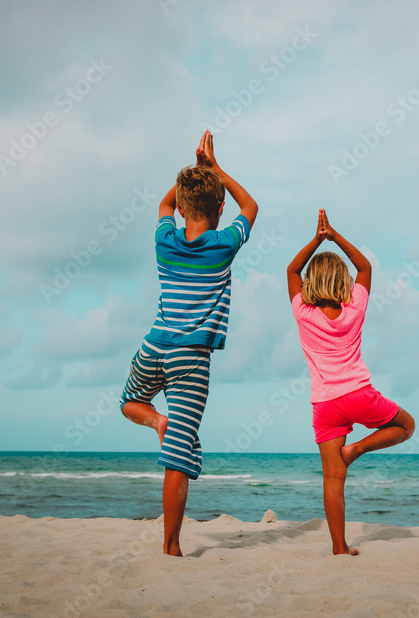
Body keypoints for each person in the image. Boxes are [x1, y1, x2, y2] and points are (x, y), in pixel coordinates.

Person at [119, 130, 257, 556]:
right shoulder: (222, 245)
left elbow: (163, 205)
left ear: (180, 208)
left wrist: (192, 172)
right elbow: (250, 206)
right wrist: (214, 169)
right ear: (220, 209)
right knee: (178, 455)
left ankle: (155, 421)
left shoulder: (165, 239)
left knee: (128, 403)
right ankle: (171, 545)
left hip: (152, 346)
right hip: (190, 359)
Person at [287, 209, 416, 555]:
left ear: (312, 281)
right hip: (359, 393)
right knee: (407, 426)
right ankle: (357, 449)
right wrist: (335, 235)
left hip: (325, 404)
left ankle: (340, 547)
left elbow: (292, 270)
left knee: (332, 479)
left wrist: (316, 239)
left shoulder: (302, 312)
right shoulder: (354, 307)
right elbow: (366, 268)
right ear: (341, 280)